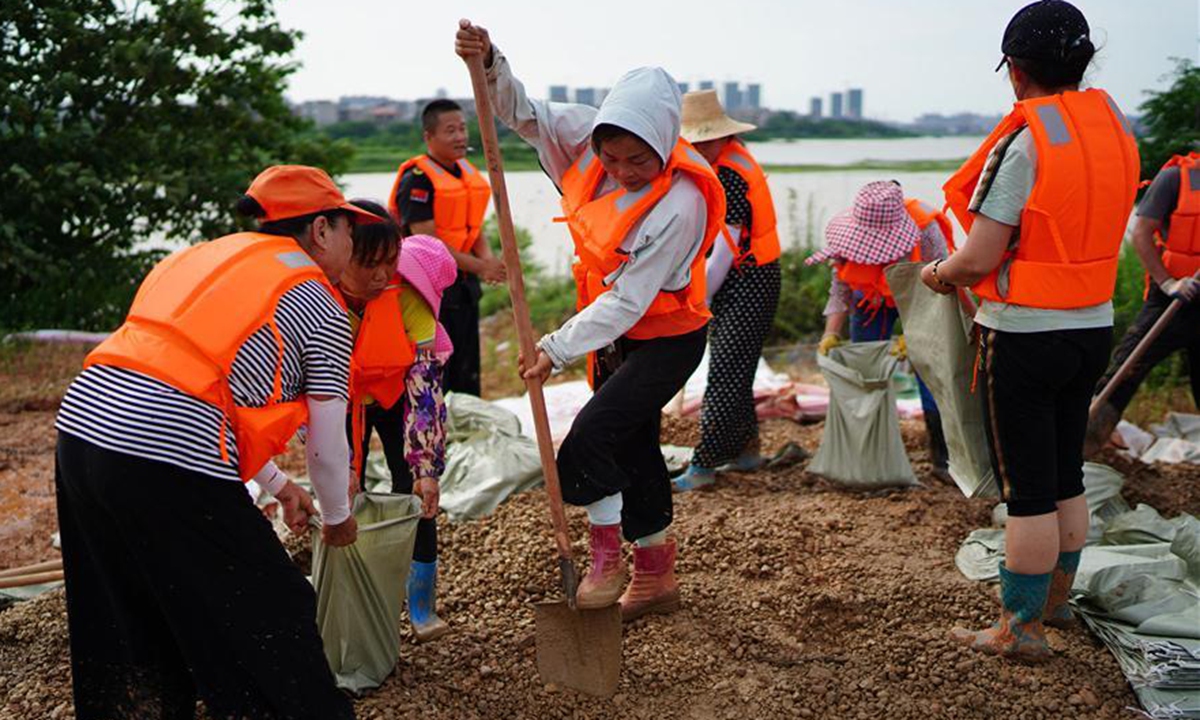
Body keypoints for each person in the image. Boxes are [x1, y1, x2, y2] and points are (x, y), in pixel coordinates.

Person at [54, 165, 380, 718]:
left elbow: (193, 382)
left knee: (131, 614)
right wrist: (338, 516)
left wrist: (277, 484)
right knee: (271, 608)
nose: (354, 242)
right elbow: (328, 444)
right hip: (163, 454)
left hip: (82, 432)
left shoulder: (203, 258)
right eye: (349, 228)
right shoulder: (319, 299)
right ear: (321, 230)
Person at [456, 20, 725, 620]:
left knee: (591, 437)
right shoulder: (586, 137)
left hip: (668, 338)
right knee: (635, 445)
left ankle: (606, 556)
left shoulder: (680, 203)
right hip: (616, 335)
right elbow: (523, 113)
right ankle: (655, 577)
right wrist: (492, 64)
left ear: (664, 144)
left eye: (639, 160)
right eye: (613, 157)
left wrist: (556, 347)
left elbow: (629, 300)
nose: (624, 169)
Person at [925, 0, 1139, 661]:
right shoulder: (1116, 134)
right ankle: (1056, 604)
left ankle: (1020, 629)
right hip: (1092, 328)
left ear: (1016, 72)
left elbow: (982, 255)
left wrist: (939, 272)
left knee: (1027, 491)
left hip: (1023, 336)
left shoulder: (1026, 142)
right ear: (1082, 63)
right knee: (1067, 472)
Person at [339, 200, 457, 642]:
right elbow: (308, 390)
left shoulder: (408, 295)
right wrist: (341, 467)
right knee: (343, 493)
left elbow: (425, 387)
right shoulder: (316, 298)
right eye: (368, 265)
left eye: (389, 263)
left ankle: (422, 606)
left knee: (415, 494)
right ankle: (356, 597)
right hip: (342, 400)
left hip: (395, 394)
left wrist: (427, 468)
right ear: (338, 256)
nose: (379, 276)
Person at [672, 89, 782, 492]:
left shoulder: (731, 173)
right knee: (737, 368)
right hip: (744, 277)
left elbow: (722, 254)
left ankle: (705, 464)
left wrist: (697, 300)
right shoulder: (723, 161)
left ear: (723, 136)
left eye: (706, 140)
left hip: (750, 280)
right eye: (693, 141)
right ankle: (747, 450)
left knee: (724, 373)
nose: (699, 148)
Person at [807, 180, 953, 480]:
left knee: (931, 373)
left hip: (921, 298)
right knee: (864, 370)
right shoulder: (847, 237)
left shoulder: (926, 232)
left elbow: (944, 291)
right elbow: (841, 289)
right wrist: (830, 333)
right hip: (870, 299)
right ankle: (867, 454)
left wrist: (915, 338)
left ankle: (943, 459)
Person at [1086, 148, 1200, 455]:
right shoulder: (1176, 178)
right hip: (1173, 299)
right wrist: (1168, 281)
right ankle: (1084, 447)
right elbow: (1141, 233)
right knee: (1128, 367)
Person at [389, 99, 505, 397]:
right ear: (429, 137)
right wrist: (481, 266)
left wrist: (490, 260)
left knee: (468, 367)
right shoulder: (418, 180)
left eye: (463, 128)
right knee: (438, 370)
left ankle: (469, 425)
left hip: (465, 286)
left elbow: (474, 229)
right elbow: (429, 244)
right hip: (429, 291)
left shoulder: (466, 172)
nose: (460, 137)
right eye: (450, 130)